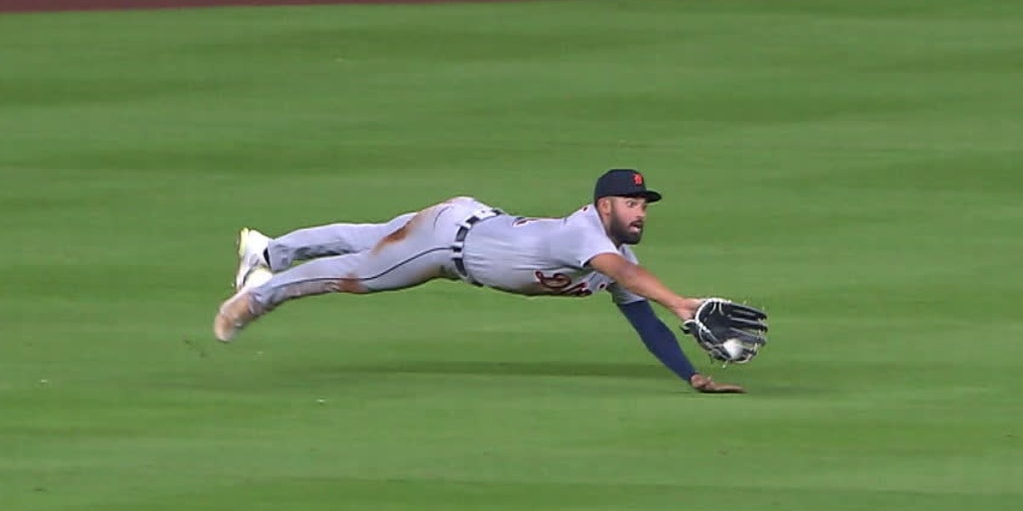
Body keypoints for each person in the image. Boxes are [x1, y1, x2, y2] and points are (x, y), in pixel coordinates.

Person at [212, 169, 749, 393]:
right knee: (359, 272)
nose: (640, 213)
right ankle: (256, 296)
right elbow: (624, 275)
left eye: (643, 205)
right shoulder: (585, 235)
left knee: (370, 235)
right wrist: (682, 303)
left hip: (468, 217)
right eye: (631, 204)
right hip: (445, 248)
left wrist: (690, 376)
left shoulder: (615, 250)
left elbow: (640, 316)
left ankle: (268, 249)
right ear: (603, 205)